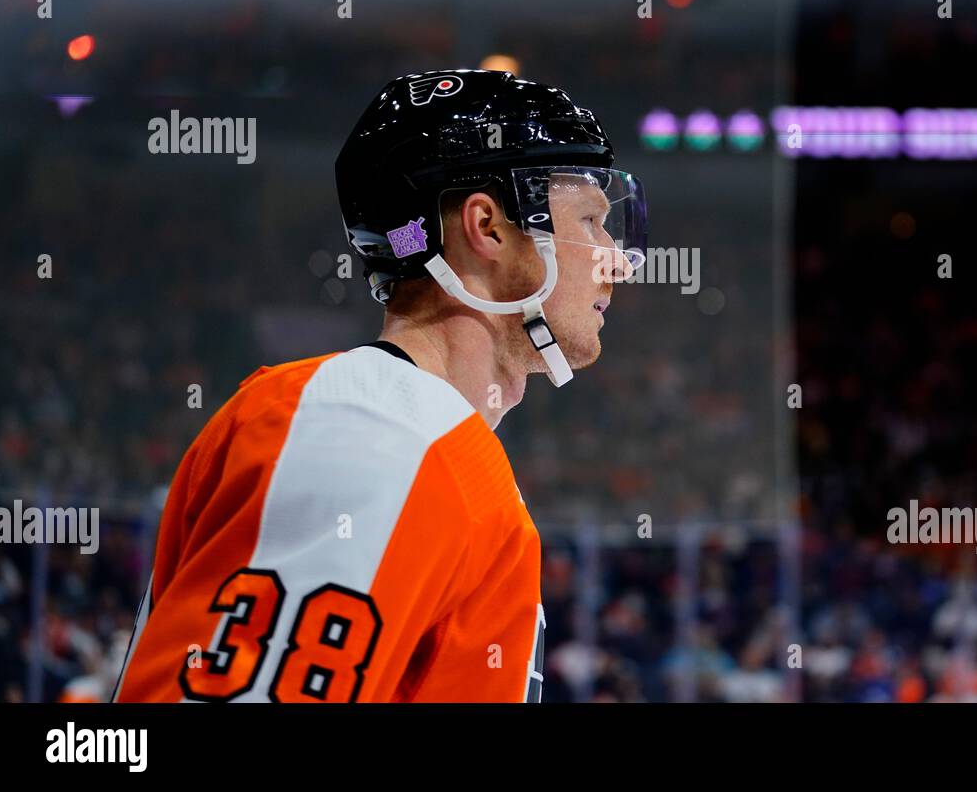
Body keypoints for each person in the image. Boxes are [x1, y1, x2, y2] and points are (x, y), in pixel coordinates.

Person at [112, 69, 647, 702]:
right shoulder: (374, 434)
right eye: (589, 219)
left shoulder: (414, 436)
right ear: (489, 228)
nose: (616, 256)